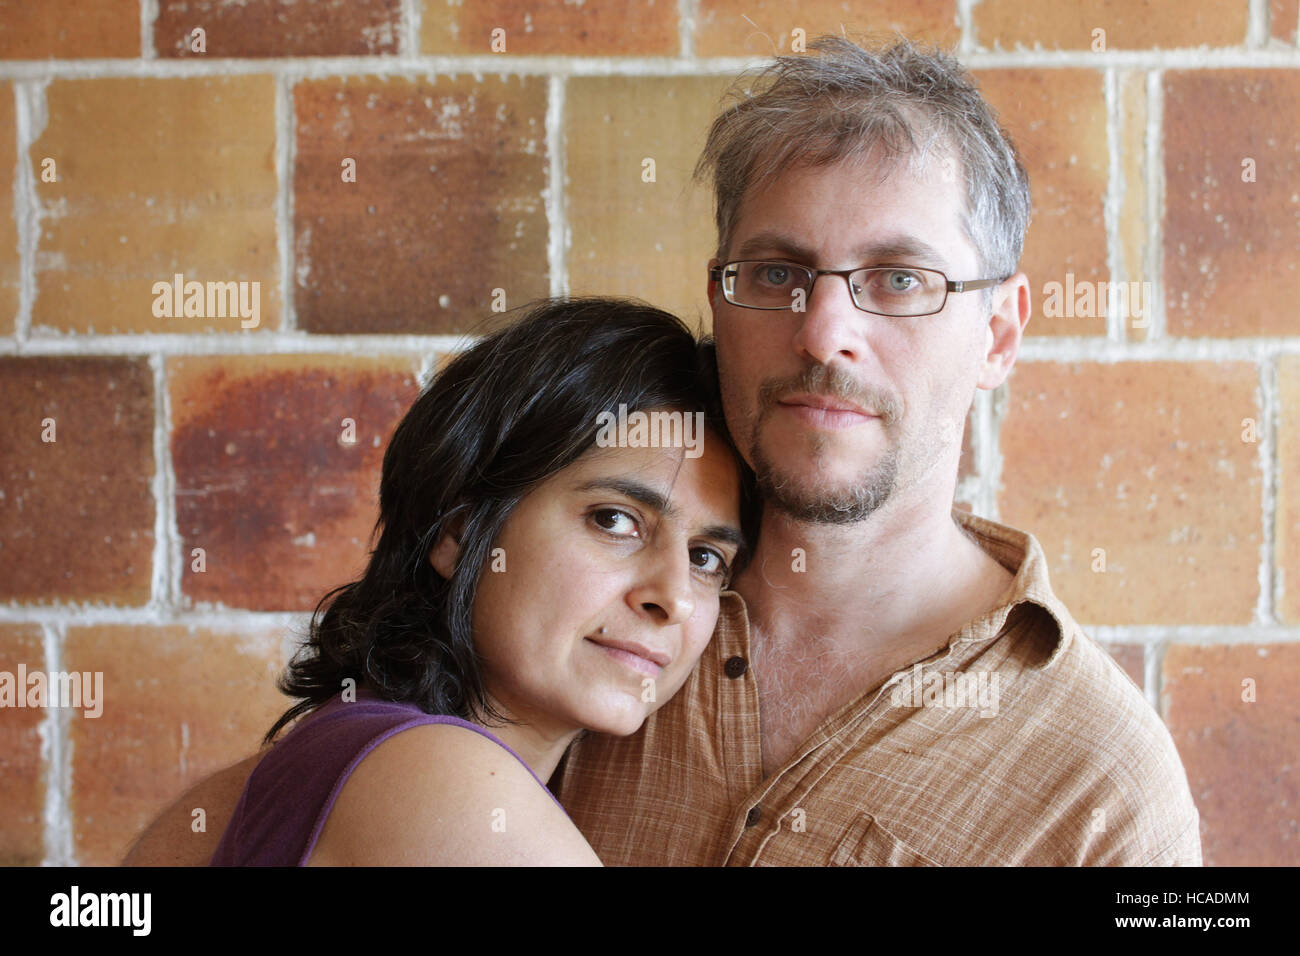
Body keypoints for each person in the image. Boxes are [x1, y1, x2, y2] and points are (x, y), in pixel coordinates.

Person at [127, 35, 1201, 867]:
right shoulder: (578, 655)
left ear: (1001, 331)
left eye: (898, 278)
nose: (824, 330)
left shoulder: (1098, 778)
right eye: (777, 272)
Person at [198, 296, 752, 865]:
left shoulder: (296, 765)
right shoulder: (446, 791)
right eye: (613, 520)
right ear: (459, 533)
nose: (675, 596)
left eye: (707, 557)